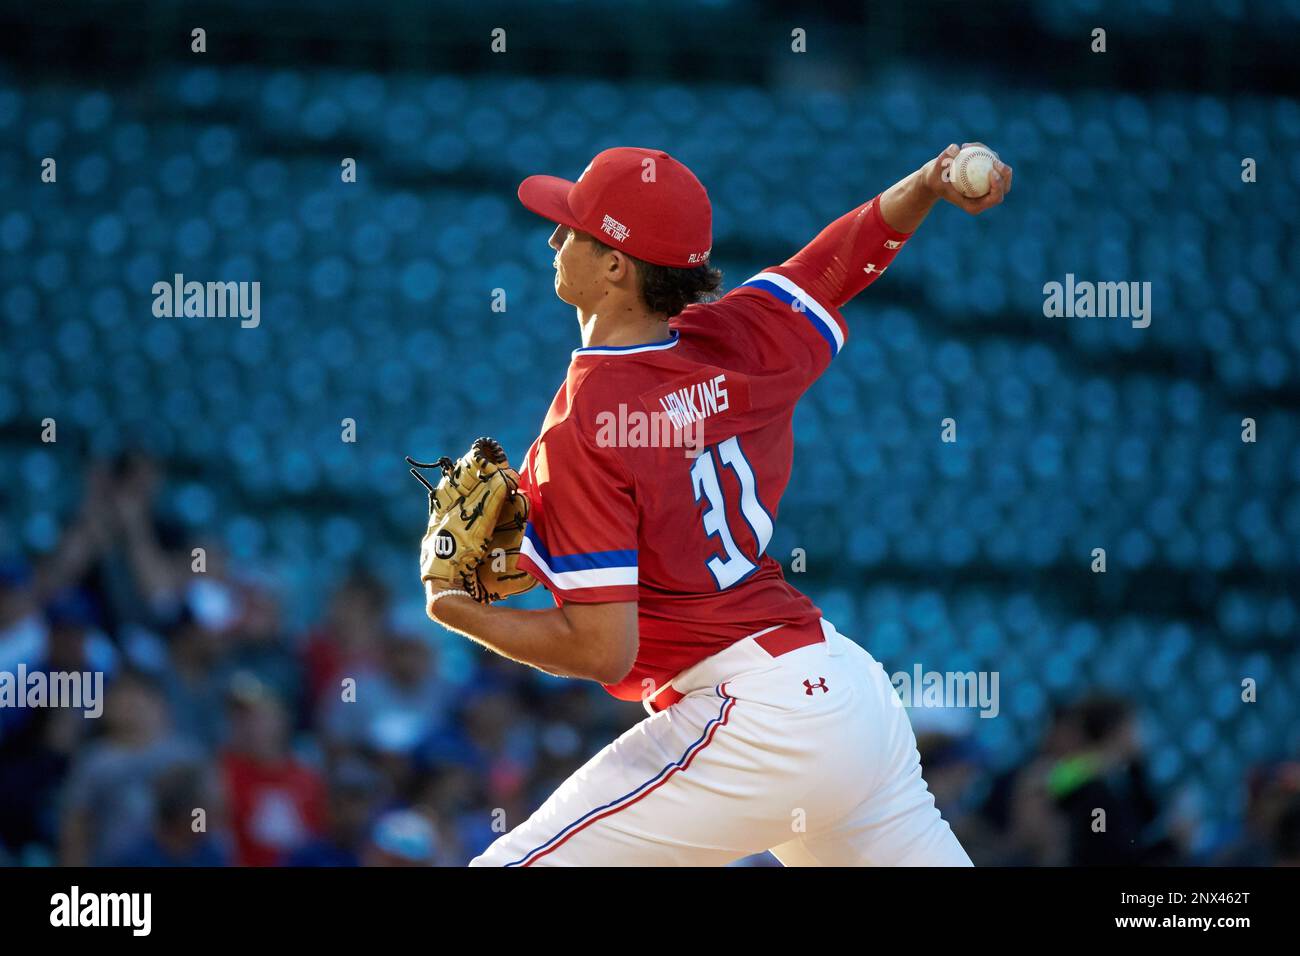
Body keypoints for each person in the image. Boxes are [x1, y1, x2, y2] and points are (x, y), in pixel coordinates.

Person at [424, 144, 1011, 866]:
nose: (554, 240)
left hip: (754, 717)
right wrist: (927, 184)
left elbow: (605, 649)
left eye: (573, 228)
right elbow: (838, 263)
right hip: (846, 696)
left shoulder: (583, 429)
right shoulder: (738, 335)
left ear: (616, 267)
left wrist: (457, 609)